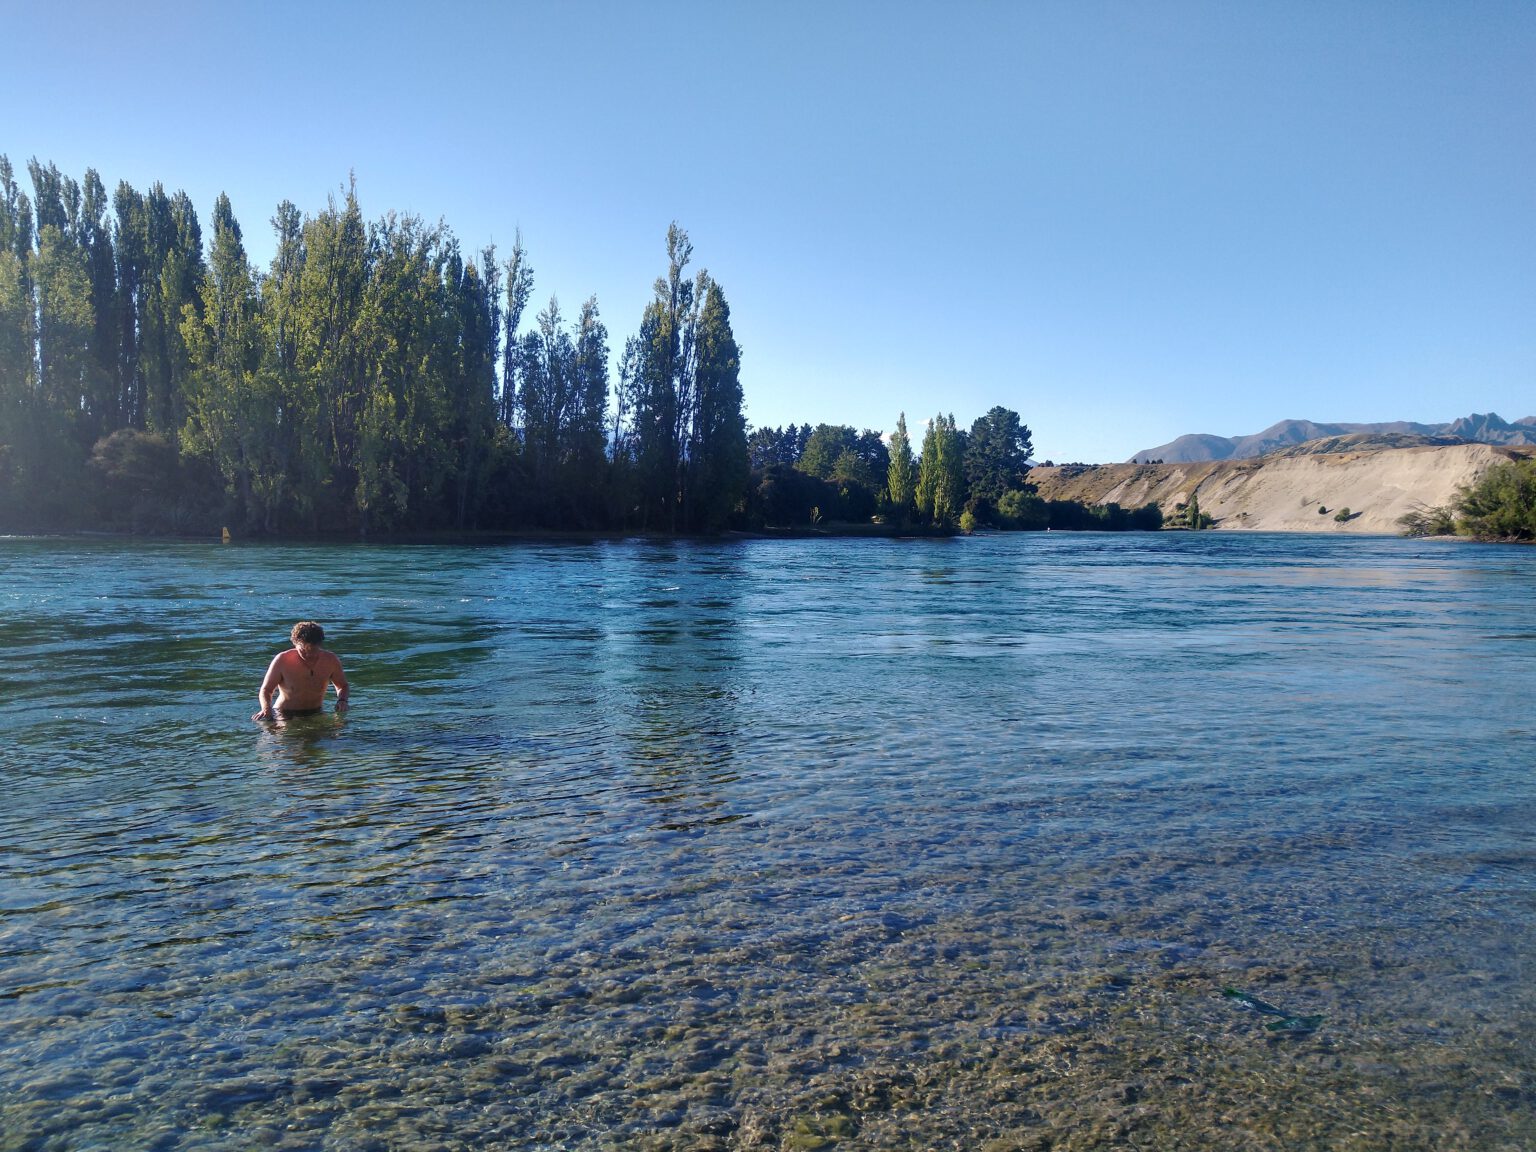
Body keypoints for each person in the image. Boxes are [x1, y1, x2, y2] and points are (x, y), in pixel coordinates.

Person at [253, 621, 349, 721]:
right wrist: (266, 708)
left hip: (316, 712)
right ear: (295, 644)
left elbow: (343, 686)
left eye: (313, 650)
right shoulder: (282, 660)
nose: (309, 655)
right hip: (284, 714)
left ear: (319, 644)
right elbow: (266, 690)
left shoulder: (330, 660)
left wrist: (342, 700)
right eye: (304, 651)